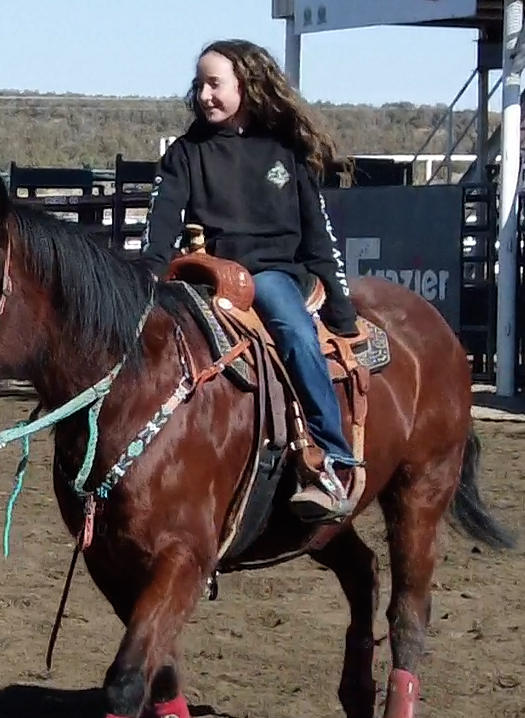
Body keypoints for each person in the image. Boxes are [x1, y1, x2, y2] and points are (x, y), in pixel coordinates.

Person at [140, 39, 362, 523]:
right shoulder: (184, 154)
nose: (204, 96)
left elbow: (319, 239)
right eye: (199, 85)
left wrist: (341, 313)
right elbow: (159, 232)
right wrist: (143, 287)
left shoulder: (288, 152)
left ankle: (334, 458)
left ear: (247, 85)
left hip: (273, 275)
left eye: (214, 84)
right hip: (204, 276)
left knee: (296, 334)